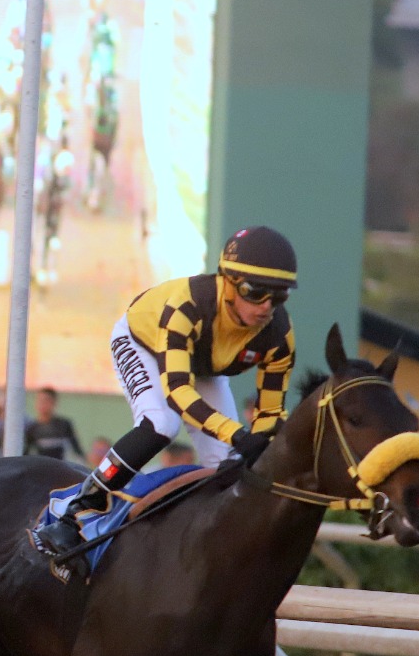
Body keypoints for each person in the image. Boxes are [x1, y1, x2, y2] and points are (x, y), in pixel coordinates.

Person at [33, 225, 298, 559]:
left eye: (279, 295)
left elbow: (270, 414)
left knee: (230, 465)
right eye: (255, 291)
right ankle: (77, 510)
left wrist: (257, 443)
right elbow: (177, 392)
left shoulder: (279, 336)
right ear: (228, 284)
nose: (266, 307)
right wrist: (238, 434)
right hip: (143, 342)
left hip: (201, 365)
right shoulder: (189, 306)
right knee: (161, 423)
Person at [24, 386, 84, 460]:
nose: (43, 404)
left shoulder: (64, 425)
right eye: (40, 401)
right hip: (42, 469)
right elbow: (26, 454)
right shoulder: (32, 428)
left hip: (61, 468)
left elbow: (77, 451)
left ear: (54, 402)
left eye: (46, 400)